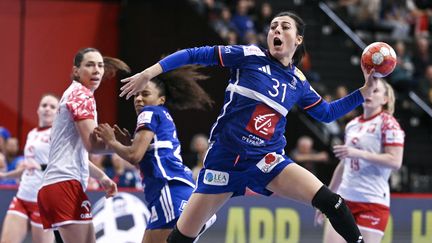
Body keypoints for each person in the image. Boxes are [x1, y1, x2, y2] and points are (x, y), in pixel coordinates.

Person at [120, 11, 378, 243]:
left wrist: (362, 92)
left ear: (298, 39)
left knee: (331, 202)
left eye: (284, 27)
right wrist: (149, 73)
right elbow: (194, 54)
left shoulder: (298, 82)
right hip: (224, 160)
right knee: (179, 239)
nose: (276, 30)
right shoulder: (249, 57)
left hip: (266, 159)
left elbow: (326, 113)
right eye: (273, 26)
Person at [94, 65, 216, 243]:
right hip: (173, 191)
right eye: (136, 95)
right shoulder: (162, 115)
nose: (138, 99)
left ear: (161, 99)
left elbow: (134, 156)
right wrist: (127, 144)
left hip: (168, 189)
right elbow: (146, 160)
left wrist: (111, 141)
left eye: (145, 94)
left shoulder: (150, 113)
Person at [37, 48, 129, 243]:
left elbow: (75, 154)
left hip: (59, 185)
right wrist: (122, 147)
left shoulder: (76, 94)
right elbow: (92, 146)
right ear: (76, 71)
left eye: (100, 65)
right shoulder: (81, 95)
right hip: (63, 185)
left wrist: (102, 177)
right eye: (89, 65)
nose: (96, 70)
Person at [316, 79, 404, 243]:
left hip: (372, 201)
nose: (370, 93)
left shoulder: (388, 123)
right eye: (369, 89)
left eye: (376, 91)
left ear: (385, 99)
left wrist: (358, 153)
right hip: (345, 198)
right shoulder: (352, 125)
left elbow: (395, 161)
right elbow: (344, 165)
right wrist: (327, 198)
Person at [0, 94, 59, 243]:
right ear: (38, 110)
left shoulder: (58, 134)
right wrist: (5, 176)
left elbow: (65, 165)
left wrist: (42, 166)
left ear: (58, 113)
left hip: (43, 203)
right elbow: (28, 166)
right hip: (22, 197)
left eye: (52, 107)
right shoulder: (31, 134)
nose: (47, 109)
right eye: (44, 105)